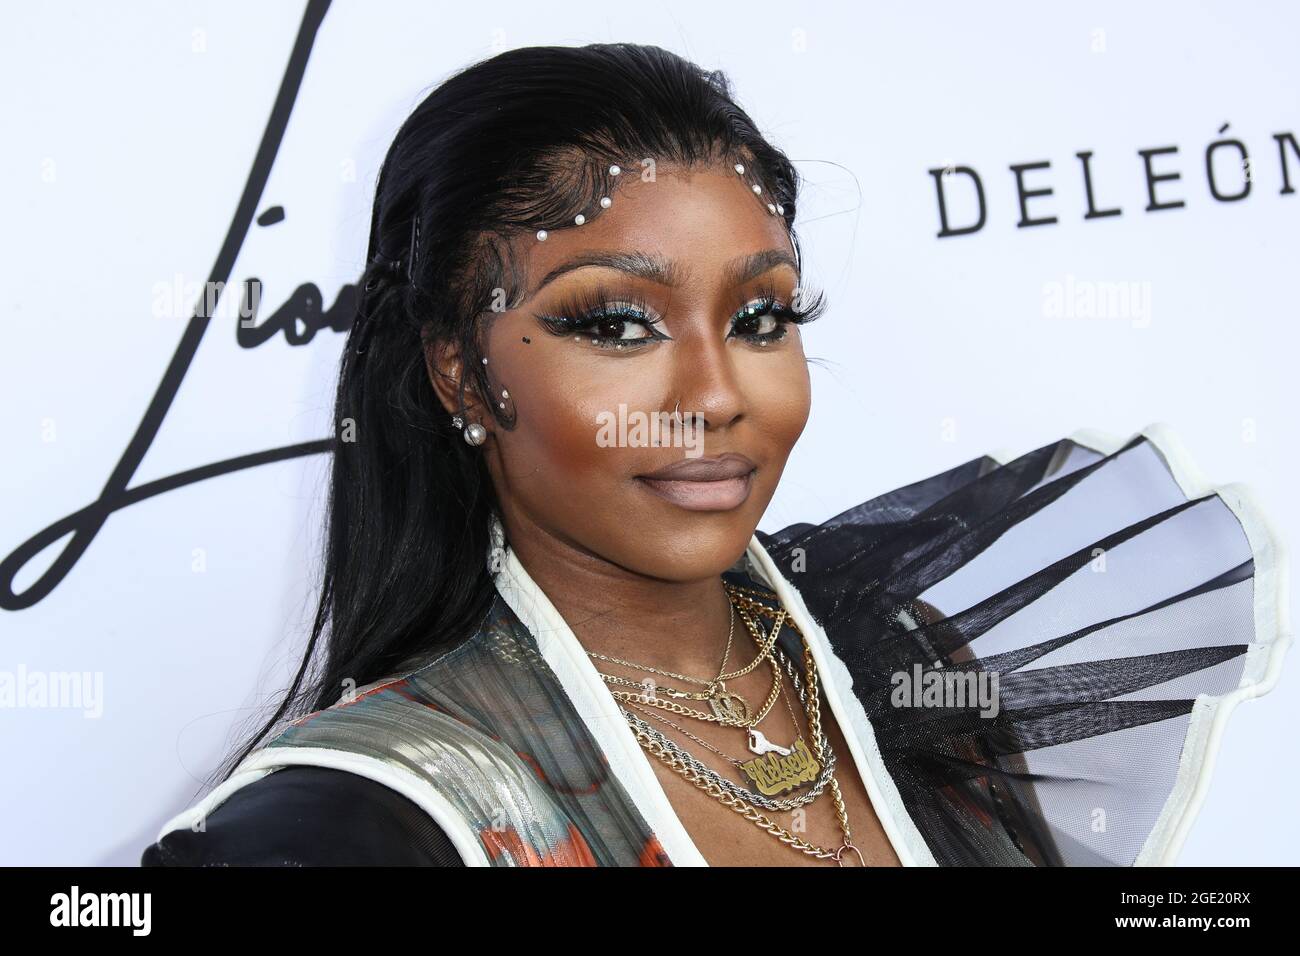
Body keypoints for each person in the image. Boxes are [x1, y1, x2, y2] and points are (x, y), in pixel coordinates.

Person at [141, 42, 1290, 867]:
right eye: (614, 324)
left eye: (761, 318)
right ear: (458, 369)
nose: (714, 395)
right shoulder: (365, 823)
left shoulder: (891, 661)